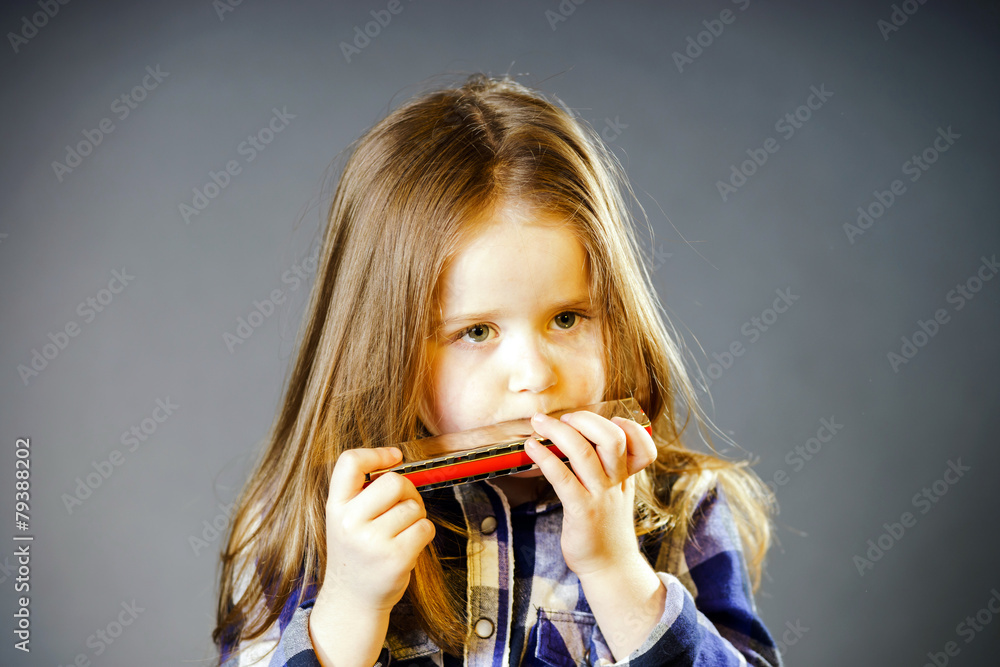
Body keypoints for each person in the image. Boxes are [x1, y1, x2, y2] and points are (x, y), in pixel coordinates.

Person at [213, 72, 783, 667]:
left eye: (567, 318)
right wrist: (350, 609)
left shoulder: (682, 509)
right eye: (476, 332)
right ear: (385, 350)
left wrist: (617, 573)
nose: (535, 376)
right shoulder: (309, 519)